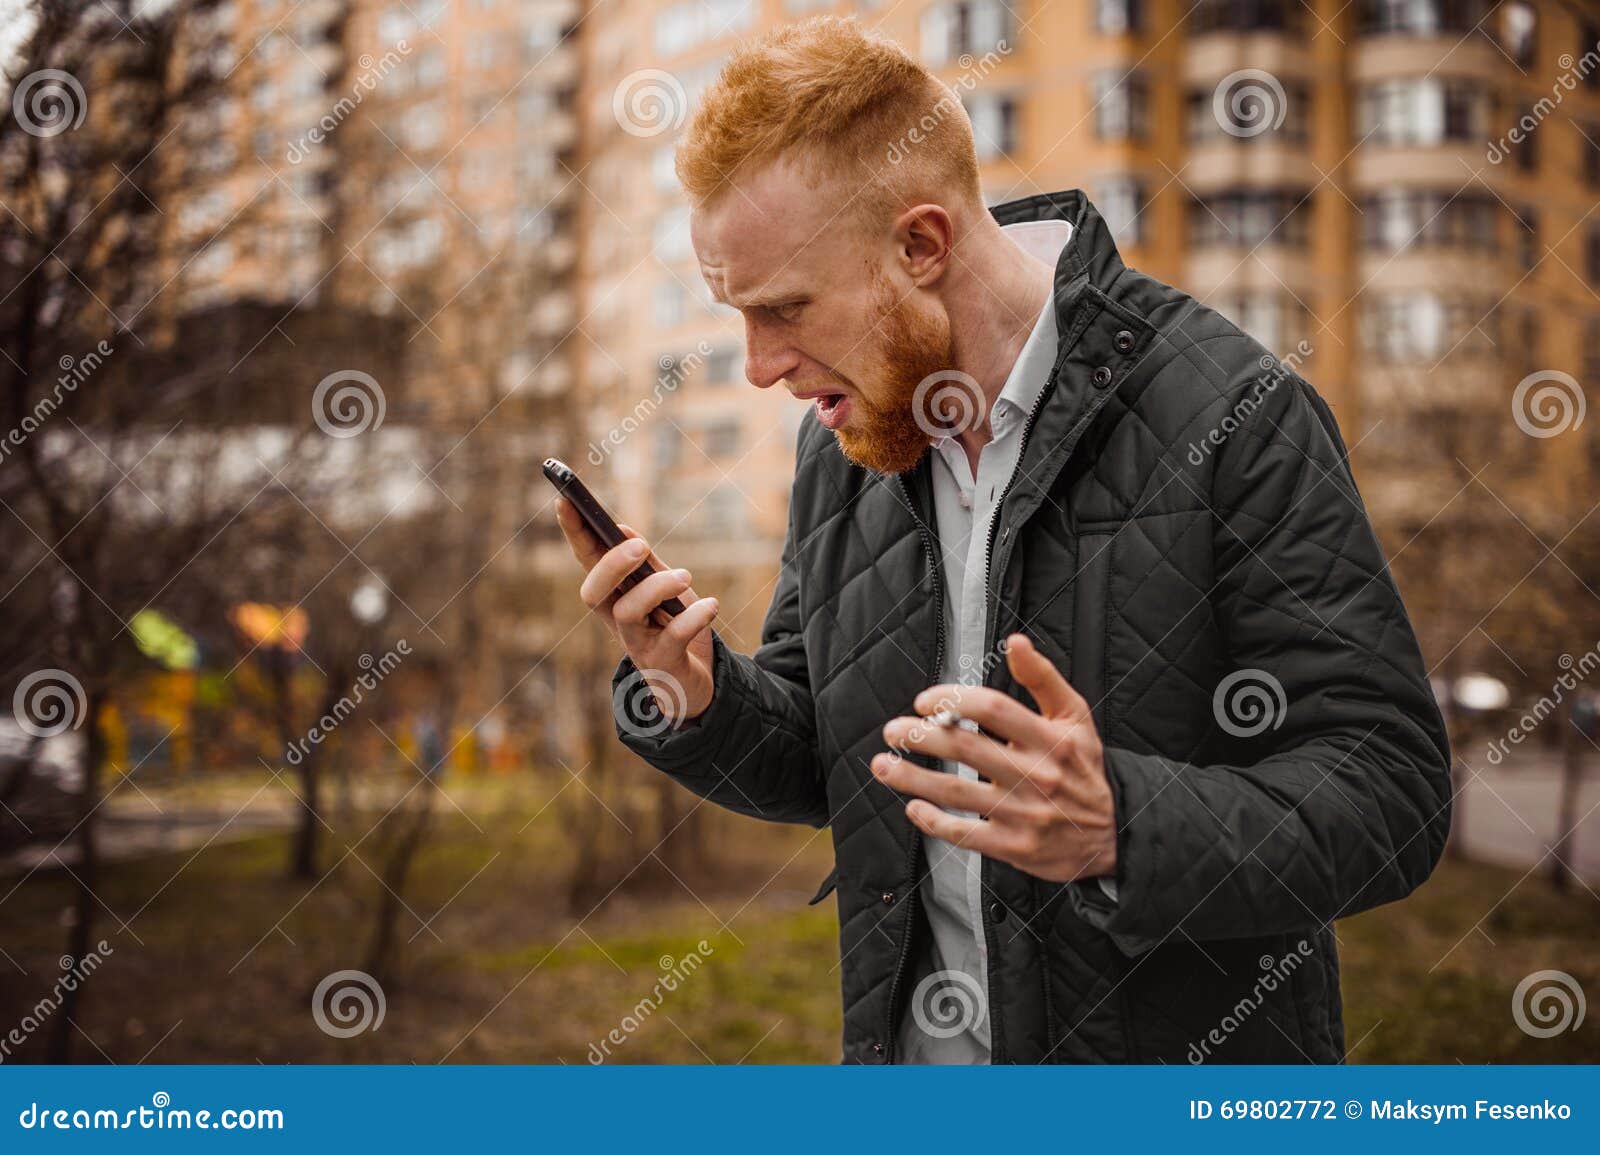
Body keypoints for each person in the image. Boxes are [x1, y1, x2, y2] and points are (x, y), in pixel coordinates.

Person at [557, 16, 1452, 1064]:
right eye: (737, 315)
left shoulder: (1237, 416)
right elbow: (833, 760)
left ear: (922, 244)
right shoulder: (843, 449)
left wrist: (1123, 823)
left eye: (785, 308)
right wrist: (696, 692)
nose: (759, 366)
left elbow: (1390, 792)